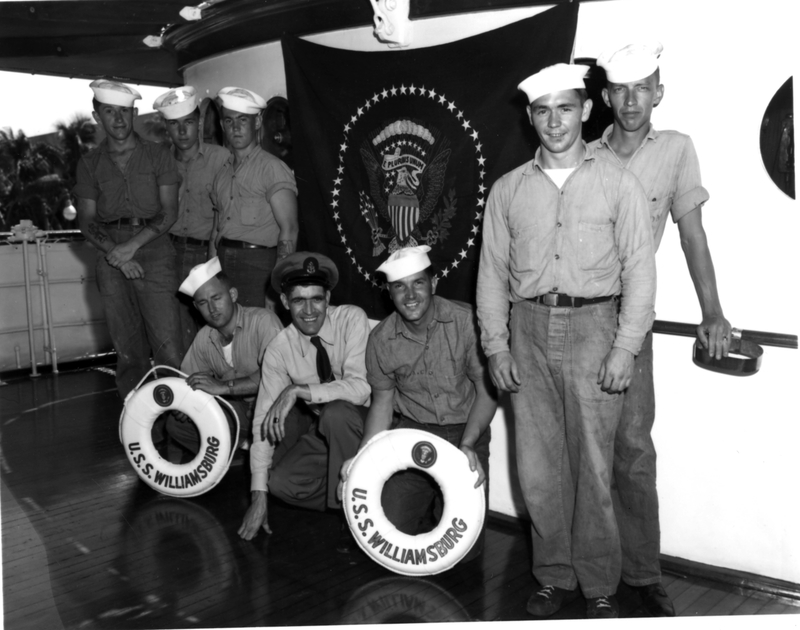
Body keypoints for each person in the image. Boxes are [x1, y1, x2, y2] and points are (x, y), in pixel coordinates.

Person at [476, 64, 656, 619]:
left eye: (564, 108)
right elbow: (491, 276)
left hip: (595, 330)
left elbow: (641, 273)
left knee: (596, 466)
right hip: (527, 331)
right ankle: (553, 574)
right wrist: (496, 346)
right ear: (530, 118)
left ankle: (601, 583)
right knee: (538, 467)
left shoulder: (619, 184)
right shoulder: (507, 191)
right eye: (541, 110)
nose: (553, 121)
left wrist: (626, 346)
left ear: (584, 111)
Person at [590, 42, 731, 617]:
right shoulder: (581, 150)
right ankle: (586, 569)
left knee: (630, 450)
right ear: (604, 97)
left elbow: (693, 236)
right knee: (582, 451)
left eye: (642, 87)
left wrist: (713, 311)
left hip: (631, 318)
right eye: (620, 90)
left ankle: (642, 574)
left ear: (658, 93)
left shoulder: (676, 150)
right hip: (571, 314)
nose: (630, 100)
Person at [338, 246, 497, 560]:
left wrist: (469, 443)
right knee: (385, 539)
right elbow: (382, 403)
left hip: (466, 433)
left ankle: (435, 509)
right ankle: (425, 506)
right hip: (412, 435)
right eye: (399, 286)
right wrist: (361, 459)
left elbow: (487, 391)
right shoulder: (381, 339)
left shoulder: (467, 323)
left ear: (434, 284)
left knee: (465, 552)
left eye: (418, 283)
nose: (409, 295)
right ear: (389, 293)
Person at [240, 252, 370, 542]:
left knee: (336, 413)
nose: (309, 310)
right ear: (285, 302)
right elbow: (263, 420)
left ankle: (355, 514)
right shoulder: (278, 349)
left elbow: (360, 390)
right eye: (299, 300)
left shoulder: (351, 319)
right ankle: (365, 493)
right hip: (329, 433)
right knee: (281, 484)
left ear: (328, 297)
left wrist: (298, 390)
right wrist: (258, 496)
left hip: (371, 425)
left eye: (317, 299)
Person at [74, 79, 183, 398]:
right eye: (110, 112)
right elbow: (86, 219)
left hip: (155, 250)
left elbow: (169, 212)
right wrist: (116, 254)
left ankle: (179, 428)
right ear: (97, 117)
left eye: (125, 111)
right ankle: (139, 429)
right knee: (128, 353)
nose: (119, 119)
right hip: (110, 257)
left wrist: (130, 248)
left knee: (169, 348)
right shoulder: (88, 164)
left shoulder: (158, 155)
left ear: (134, 113)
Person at [161, 256, 283, 462]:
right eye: (202, 302)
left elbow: (276, 376)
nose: (211, 308)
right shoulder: (204, 338)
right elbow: (185, 379)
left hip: (275, 411)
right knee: (177, 425)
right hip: (240, 412)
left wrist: (224, 387)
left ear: (233, 294)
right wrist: (185, 403)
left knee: (275, 474)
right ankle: (239, 450)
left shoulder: (263, 321)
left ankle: (259, 451)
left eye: (216, 298)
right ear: (196, 307)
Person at [154, 86, 231, 353]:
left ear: (198, 122)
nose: (182, 131)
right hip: (168, 253)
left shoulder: (221, 159)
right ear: (166, 127)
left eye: (188, 122)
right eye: (174, 124)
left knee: (213, 325)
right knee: (174, 327)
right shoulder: (159, 162)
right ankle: (184, 388)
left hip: (207, 254)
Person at [211, 86, 299, 308]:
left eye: (243, 120)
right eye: (229, 121)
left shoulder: (272, 168)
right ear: (222, 126)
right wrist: (210, 273)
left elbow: (289, 229)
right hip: (223, 262)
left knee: (261, 336)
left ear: (257, 123)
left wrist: (276, 285)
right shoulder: (222, 173)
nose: (236, 127)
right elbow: (216, 229)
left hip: (259, 267)